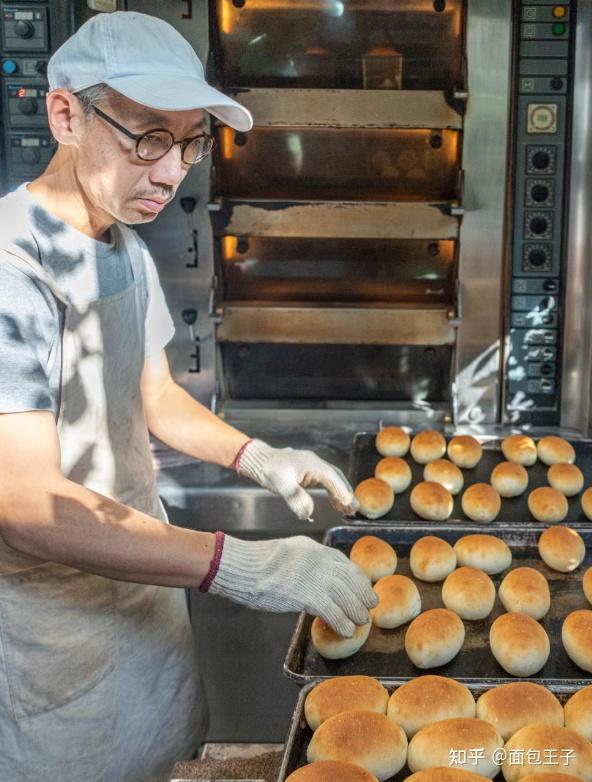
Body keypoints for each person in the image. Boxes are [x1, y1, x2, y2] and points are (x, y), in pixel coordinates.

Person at [0, 11, 376, 782]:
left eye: (189, 142)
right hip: (52, 642)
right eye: (147, 138)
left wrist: (257, 454)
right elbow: (26, 505)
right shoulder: (13, 268)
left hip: (148, 610)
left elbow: (156, 396)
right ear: (66, 114)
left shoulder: (124, 248)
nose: (172, 172)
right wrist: (238, 564)